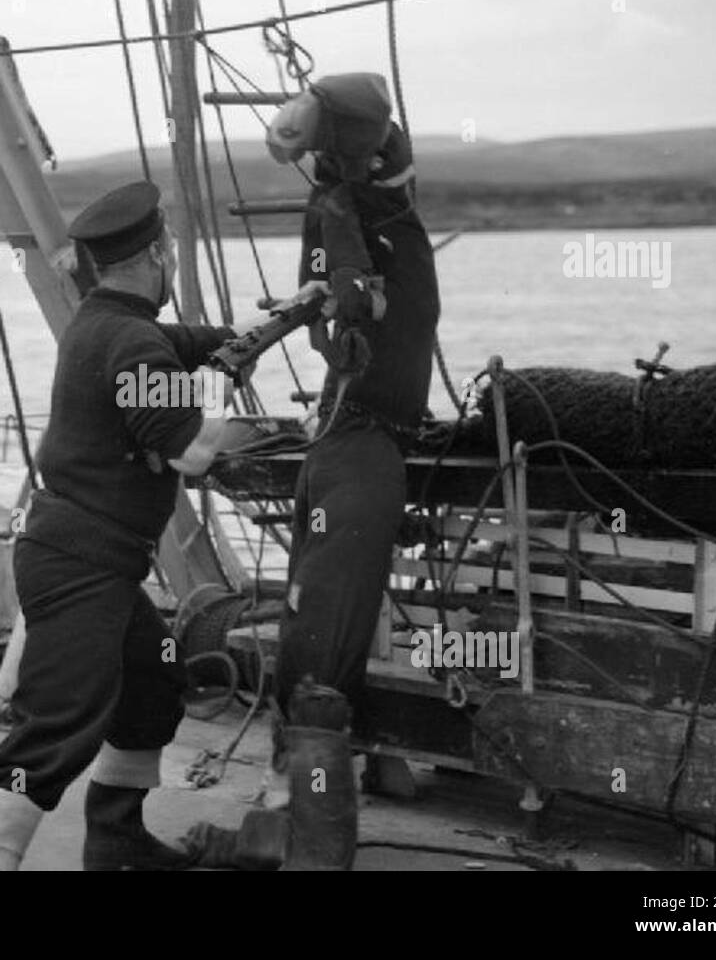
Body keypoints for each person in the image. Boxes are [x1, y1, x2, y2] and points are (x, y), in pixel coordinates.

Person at [0, 181, 323, 871]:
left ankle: (117, 840)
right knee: (54, 731)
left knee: (150, 686)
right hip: (78, 566)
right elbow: (192, 449)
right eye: (170, 248)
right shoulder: (133, 342)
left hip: (92, 561)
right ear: (157, 253)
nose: (172, 257)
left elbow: (191, 343)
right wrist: (288, 427)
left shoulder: (103, 319)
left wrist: (260, 334)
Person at [189, 73, 440, 870]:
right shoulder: (384, 215)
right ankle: (298, 832)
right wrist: (342, 302)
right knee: (318, 653)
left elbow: (344, 322)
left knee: (317, 649)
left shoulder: (352, 212)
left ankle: (299, 830)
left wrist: (341, 304)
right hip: (355, 454)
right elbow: (352, 315)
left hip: (350, 451)